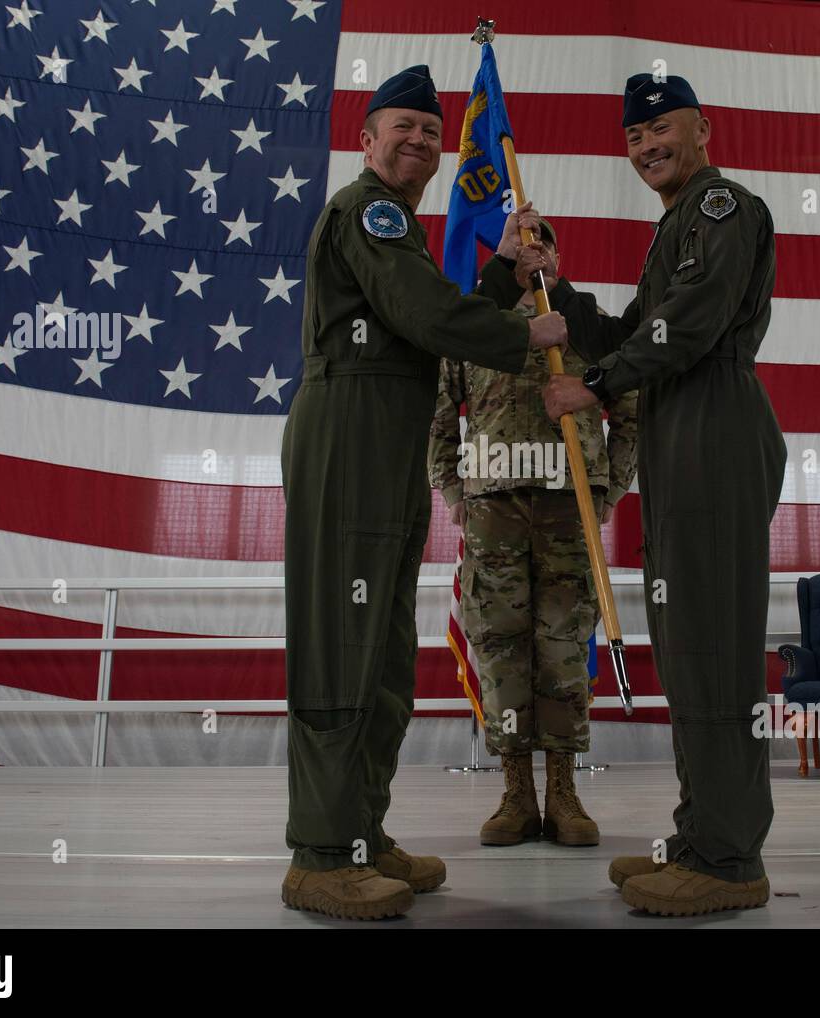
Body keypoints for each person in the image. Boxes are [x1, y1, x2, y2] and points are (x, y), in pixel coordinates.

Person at [483, 73, 787, 915]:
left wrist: (597, 383)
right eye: (635, 137)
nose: (648, 146)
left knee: (717, 647)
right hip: (680, 425)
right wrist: (560, 289)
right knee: (690, 644)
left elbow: (689, 322)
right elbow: (633, 330)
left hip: (716, 423)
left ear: (704, 130)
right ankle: (699, 836)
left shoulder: (724, 209)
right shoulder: (675, 226)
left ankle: (729, 861)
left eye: (663, 130)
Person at [279, 65, 569, 920]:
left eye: (430, 132)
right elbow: (424, 316)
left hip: (385, 440)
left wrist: (500, 272)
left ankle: (361, 836)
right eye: (399, 125)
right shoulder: (367, 210)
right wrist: (524, 328)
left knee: (378, 651)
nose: (417, 140)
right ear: (366, 141)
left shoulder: (396, 227)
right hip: (348, 437)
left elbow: (425, 319)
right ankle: (321, 855)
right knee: (341, 641)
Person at [428, 217, 639, 848]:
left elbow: (628, 405)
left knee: (563, 643)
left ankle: (565, 791)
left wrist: (610, 489)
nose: (533, 245)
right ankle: (516, 792)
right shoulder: (476, 321)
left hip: (565, 503)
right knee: (498, 643)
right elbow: (439, 415)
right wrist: (453, 493)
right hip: (493, 506)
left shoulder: (584, 319)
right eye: (521, 237)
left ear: (558, 251)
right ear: (505, 251)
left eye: (543, 236)